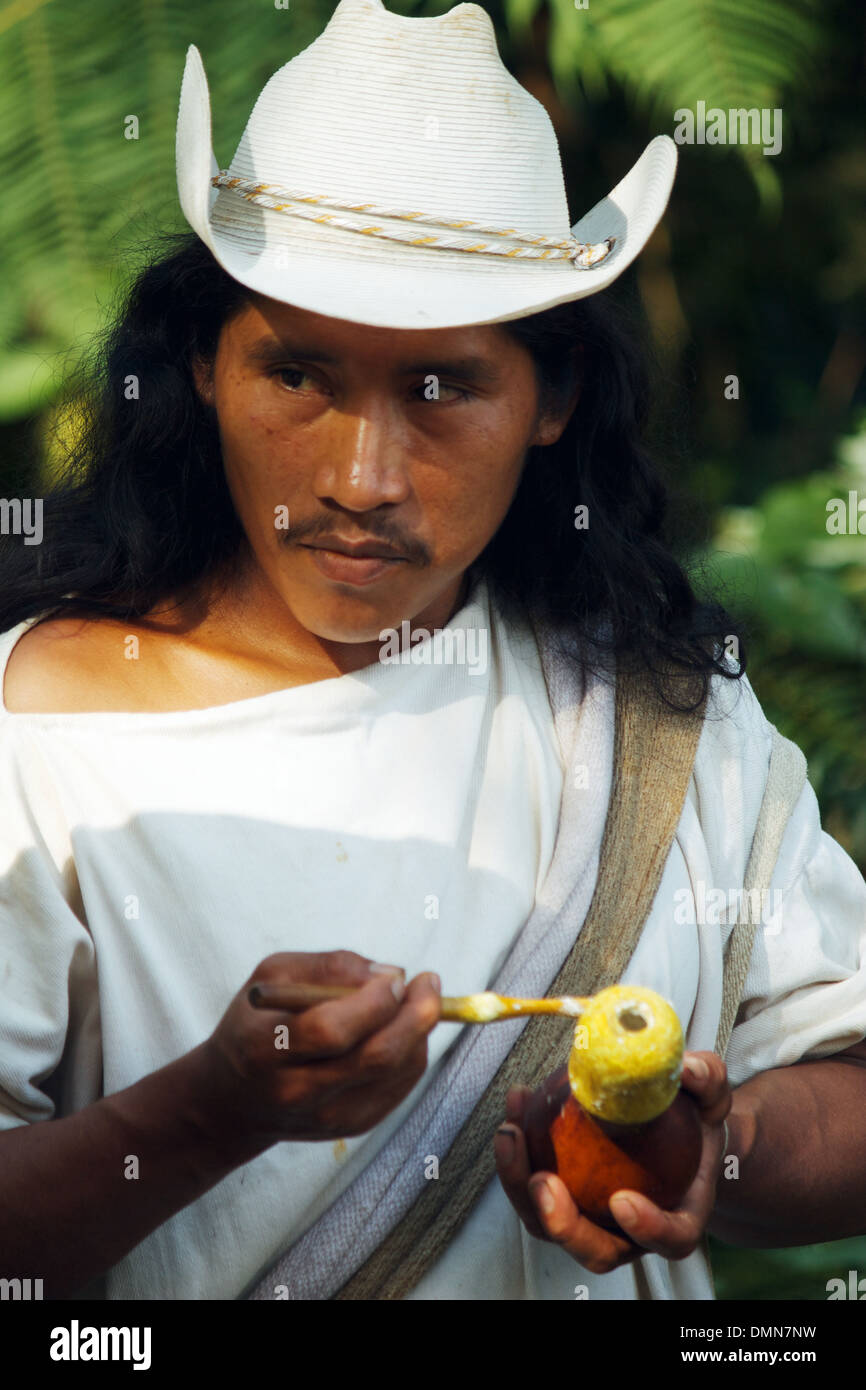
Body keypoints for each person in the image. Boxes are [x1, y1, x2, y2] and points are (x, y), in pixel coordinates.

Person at [1, 0, 865, 1302]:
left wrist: (704, 1148)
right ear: (200, 364)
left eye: (440, 388)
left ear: (553, 399)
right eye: (299, 374)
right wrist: (204, 1112)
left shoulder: (656, 713)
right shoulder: (36, 731)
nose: (360, 477)